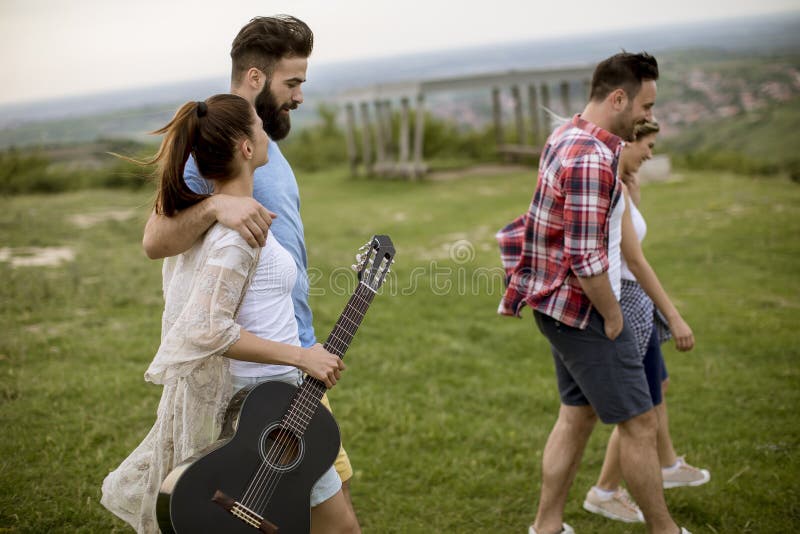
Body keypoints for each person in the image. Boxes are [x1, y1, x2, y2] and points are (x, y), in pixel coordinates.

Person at [140, 15, 361, 530]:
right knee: (322, 510)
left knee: (318, 499)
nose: (300, 97)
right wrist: (216, 207)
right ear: (257, 79)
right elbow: (155, 240)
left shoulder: (266, 147)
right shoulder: (219, 141)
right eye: (294, 83)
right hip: (260, 379)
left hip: (297, 360)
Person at [100, 94, 347, 533]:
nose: (266, 130)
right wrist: (302, 357)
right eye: (259, 125)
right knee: (337, 527)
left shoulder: (237, 221)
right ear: (247, 149)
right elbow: (206, 328)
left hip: (282, 394)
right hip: (262, 405)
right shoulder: (235, 237)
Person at [497, 52, 691, 534]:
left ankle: (547, 526)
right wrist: (611, 315)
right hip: (583, 308)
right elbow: (586, 259)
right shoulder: (591, 157)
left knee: (577, 417)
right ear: (618, 97)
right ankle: (664, 529)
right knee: (640, 424)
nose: (649, 117)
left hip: (555, 303)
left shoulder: (566, 134)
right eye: (645, 106)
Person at [582, 120, 710, 523]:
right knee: (639, 411)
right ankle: (605, 490)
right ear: (626, 143)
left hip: (636, 301)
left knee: (656, 391)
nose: (651, 153)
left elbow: (633, 241)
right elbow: (634, 260)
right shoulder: (607, 186)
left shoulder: (622, 185)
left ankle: (666, 465)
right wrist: (673, 314)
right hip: (629, 302)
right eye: (647, 145)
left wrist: (634, 193)